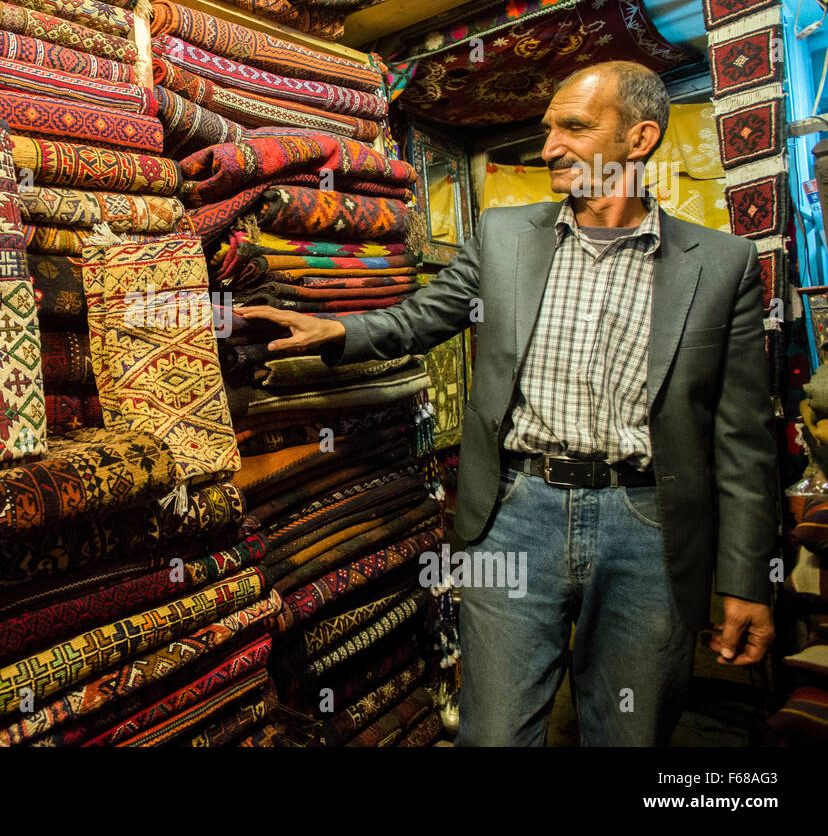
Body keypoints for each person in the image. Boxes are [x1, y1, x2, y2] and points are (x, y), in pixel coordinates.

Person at [236, 61, 780, 746]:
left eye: (574, 127)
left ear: (640, 139)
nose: (550, 144)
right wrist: (337, 331)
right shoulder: (504, 236)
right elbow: (422, 318)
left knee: (630, 731)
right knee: (494, 732)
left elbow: (743, 440)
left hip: (650, 523)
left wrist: (747, 577)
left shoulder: (721, 263)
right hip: (516, 513)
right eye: (549, 127)